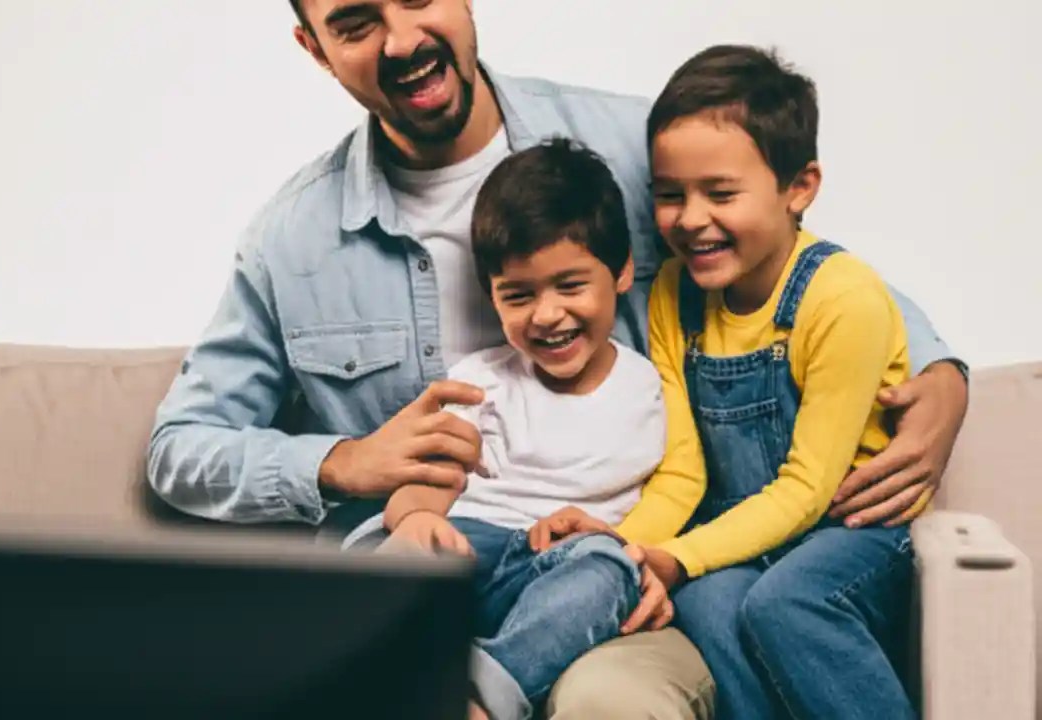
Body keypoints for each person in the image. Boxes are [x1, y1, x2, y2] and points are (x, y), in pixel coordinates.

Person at [146, 2, 969, 717]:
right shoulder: (291, 242)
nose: (400, 40)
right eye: (355, 24)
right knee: (356, 658)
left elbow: (793, 263)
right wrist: (346, 462)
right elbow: (179, 448)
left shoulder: (628, 145)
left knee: (613, 698)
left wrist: (939, 374)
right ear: (314, 48)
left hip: (618, 566)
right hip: (442, 558)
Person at [614, 45, 922, 719]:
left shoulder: (844, 298)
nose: (691, 218)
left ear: (799, 187)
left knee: (787, 600)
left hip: (856, 530)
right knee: (706, 599)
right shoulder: (674, 291)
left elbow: (808, 491)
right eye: (670, 195)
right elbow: (684, 472)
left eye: (721, 193)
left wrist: (680, 554)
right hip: (753, 534)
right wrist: (627, 550)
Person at [370, 138, 671, 720]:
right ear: (492, 297)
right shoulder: (480, 381)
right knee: (386, 554)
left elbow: (673, 494)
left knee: (611, 573)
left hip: (564, 566)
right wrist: (418, 518)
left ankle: (478, 692)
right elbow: (426, 479)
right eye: (519, 295)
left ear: (623, 272)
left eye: (571, 286)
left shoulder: (652, 386)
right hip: (469, 544)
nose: (547, 314)